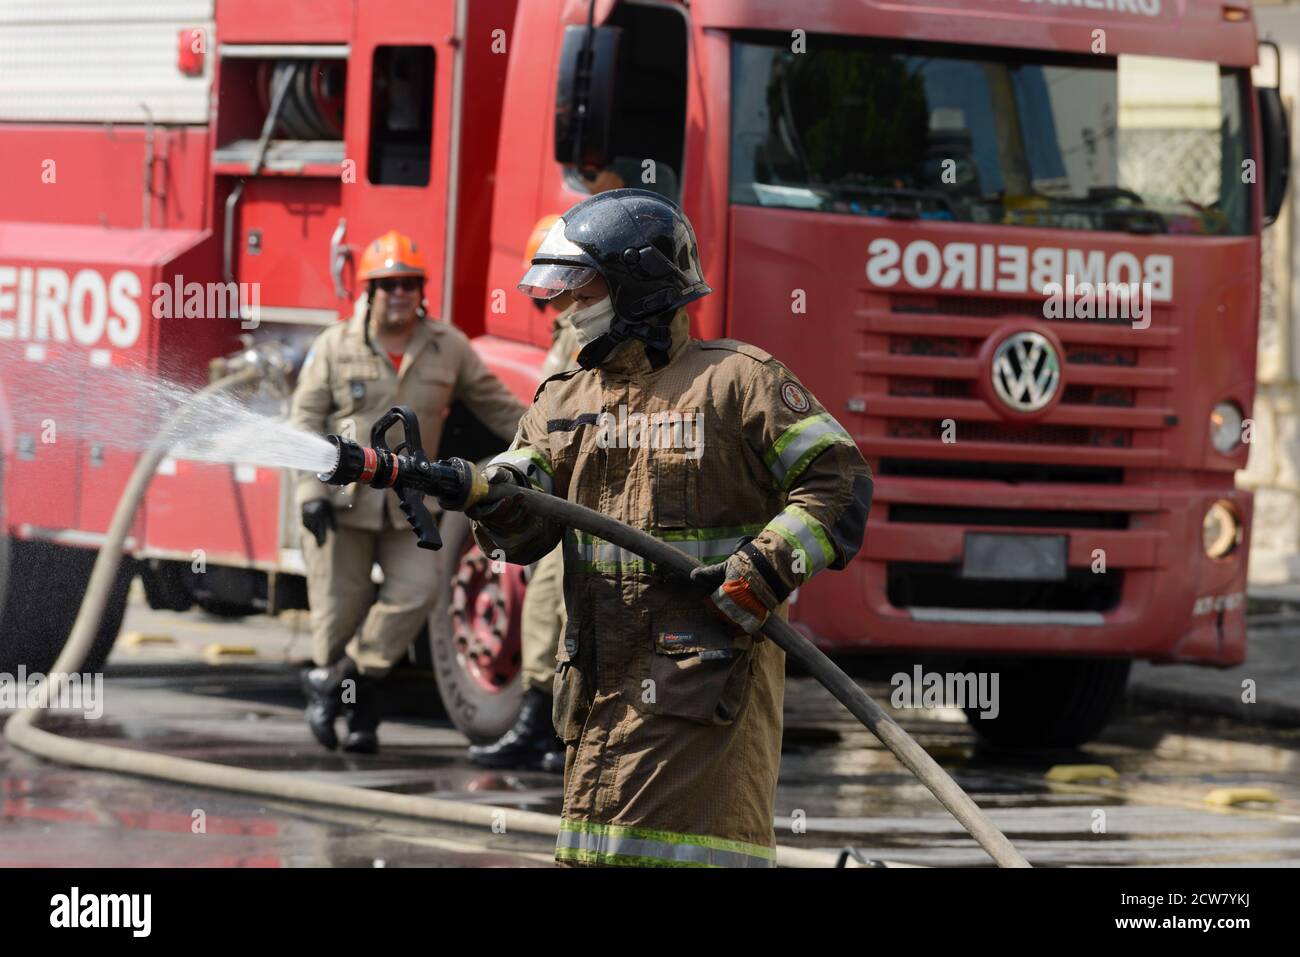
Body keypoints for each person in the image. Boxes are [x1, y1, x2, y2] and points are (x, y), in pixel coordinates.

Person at [464, 190, 873, 866]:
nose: (566, 308)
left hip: (703, 700)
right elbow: (526, 507)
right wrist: (493, 495)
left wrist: (763, 571)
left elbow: (839, 481)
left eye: (581, 287)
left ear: (637, 285)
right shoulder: (565, 398)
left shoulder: (736, 383)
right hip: (599, 696)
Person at [291, 230, 524, 753]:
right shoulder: (334, 346)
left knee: (417, 592)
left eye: (410, 284)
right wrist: (310, 493)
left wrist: (549, 437)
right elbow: (303, 419)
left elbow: (498, 407)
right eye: (389, 284)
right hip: (342, 504)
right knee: (338, 612)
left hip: (408, 506)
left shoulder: (449, 346)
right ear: (369, 291)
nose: (400, 293)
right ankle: (354, 708)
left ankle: (345, 681)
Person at [467, 216, 580, 773]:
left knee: (569, 615)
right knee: (542, 612)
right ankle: (540, 727)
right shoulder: (569, 332)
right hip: (558, 500)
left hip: (585, 506)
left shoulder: (589, 334)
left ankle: (562, 734)